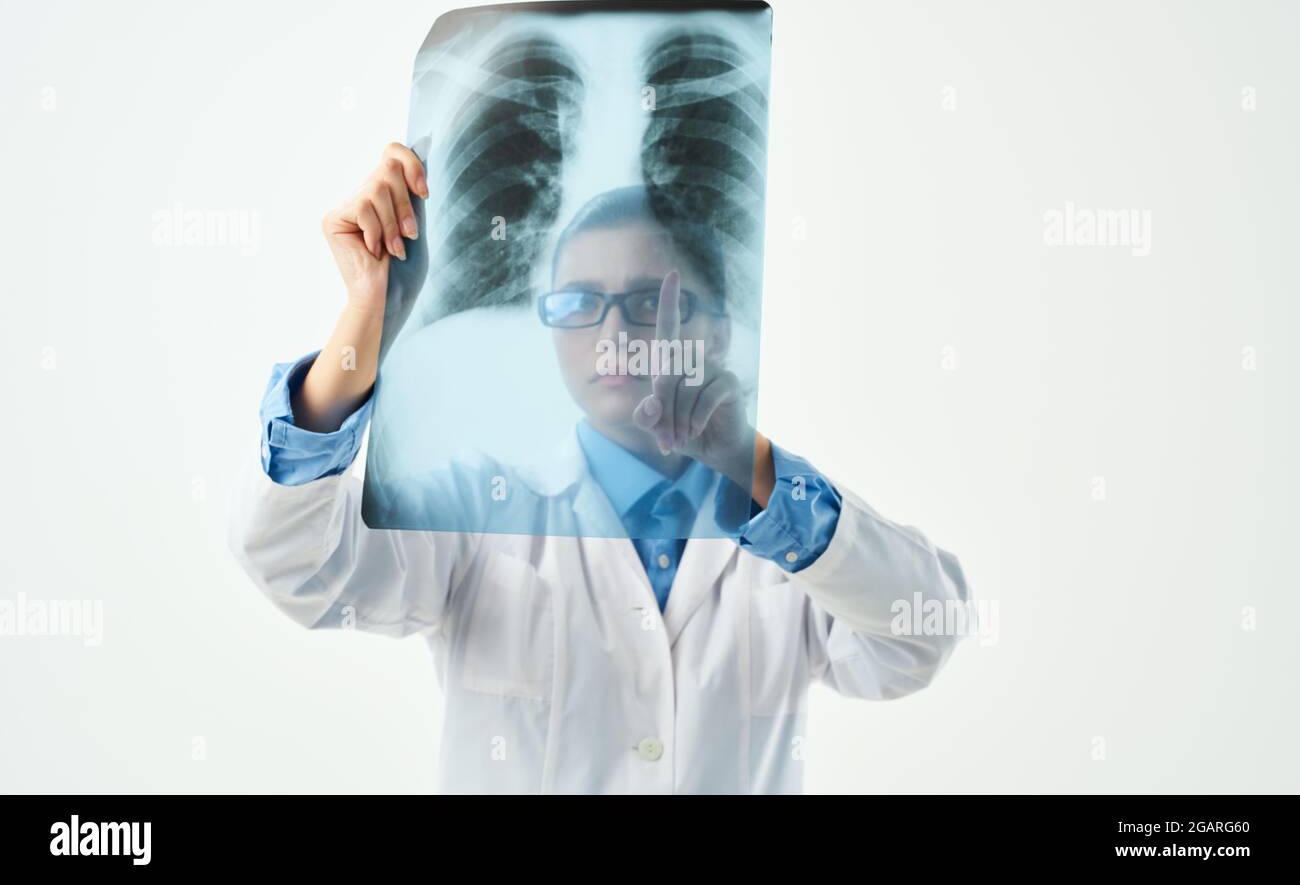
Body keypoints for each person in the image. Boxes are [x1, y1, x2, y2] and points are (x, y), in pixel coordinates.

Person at [228, 142, 971, 794]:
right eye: (581, 302)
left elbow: (923, 631)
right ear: (550, 327)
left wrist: (749, 460)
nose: (614, 331)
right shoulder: (478, 511)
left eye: (651, 301)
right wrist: (365, 317)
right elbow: (296, 562)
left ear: (716, 329)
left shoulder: (782, 531)